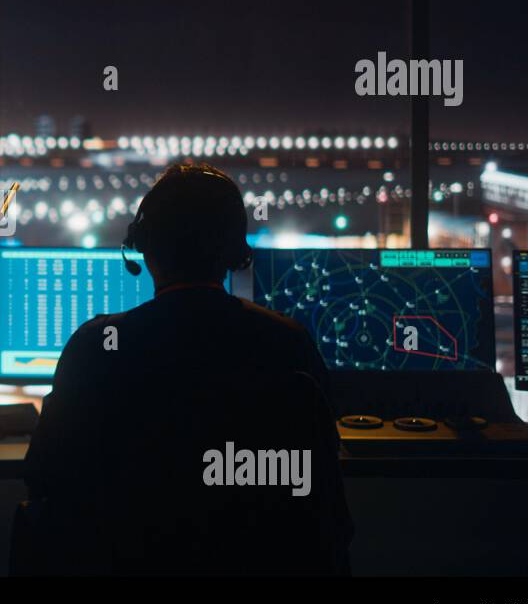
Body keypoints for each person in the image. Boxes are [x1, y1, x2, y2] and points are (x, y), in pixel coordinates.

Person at [23, 162, 352, 575]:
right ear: (235, 253)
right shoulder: (286, 343)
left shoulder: (97, 348)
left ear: (144, 248)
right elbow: (323, 484)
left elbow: (41, 474)